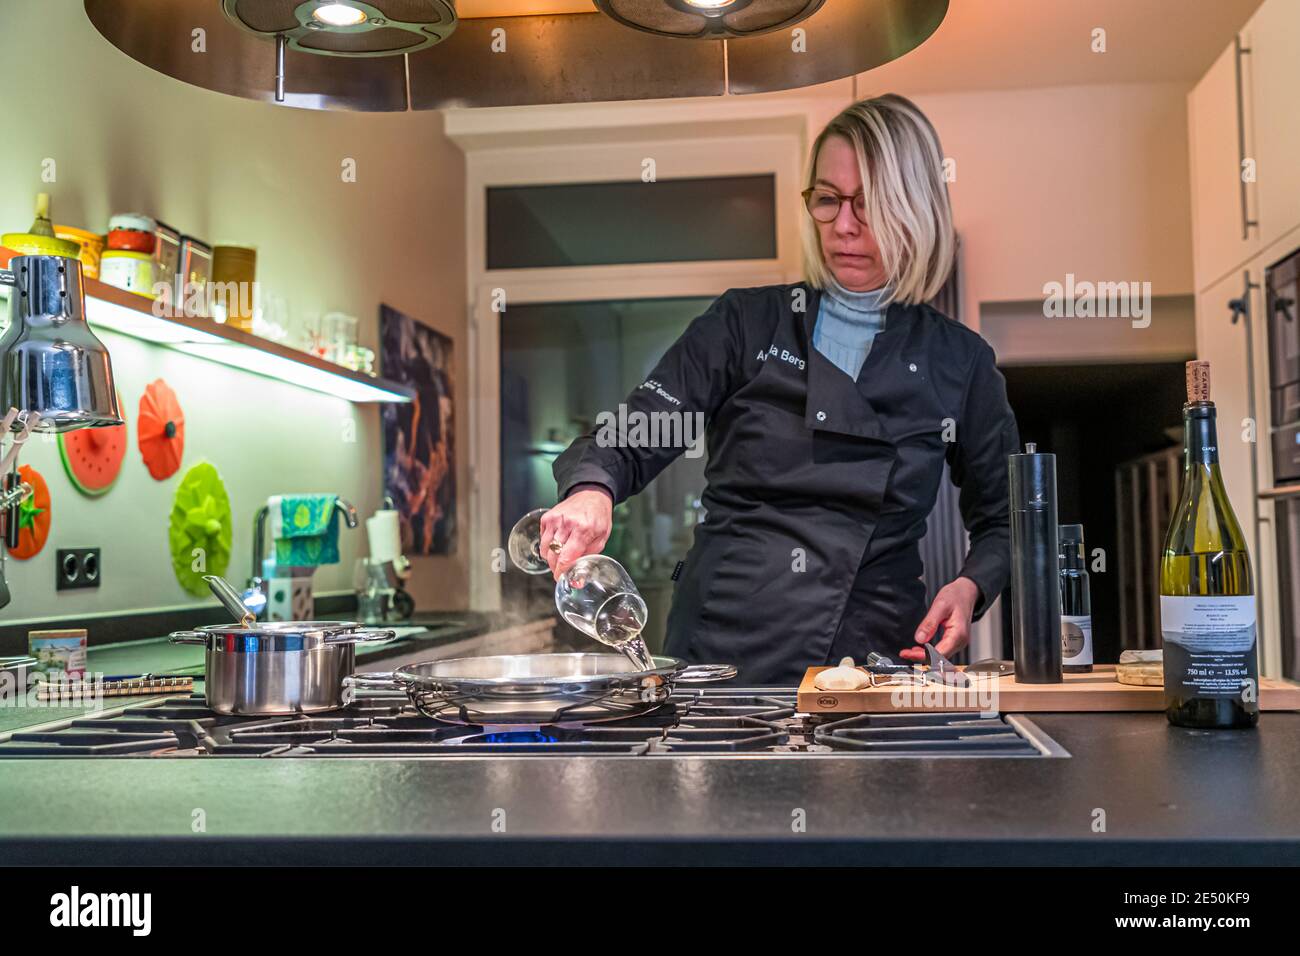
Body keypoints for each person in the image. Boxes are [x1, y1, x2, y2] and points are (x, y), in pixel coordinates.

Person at [543, 93, 1019, 684]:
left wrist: (972, 585)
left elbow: (1007, 519)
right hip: (720, 652)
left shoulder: (960, 362)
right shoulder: (746, 323)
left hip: (868, 662)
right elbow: (641, 426)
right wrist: (593, 489)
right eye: (826, 199)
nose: (843, 225)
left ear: (915, 206)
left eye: (867, 203)